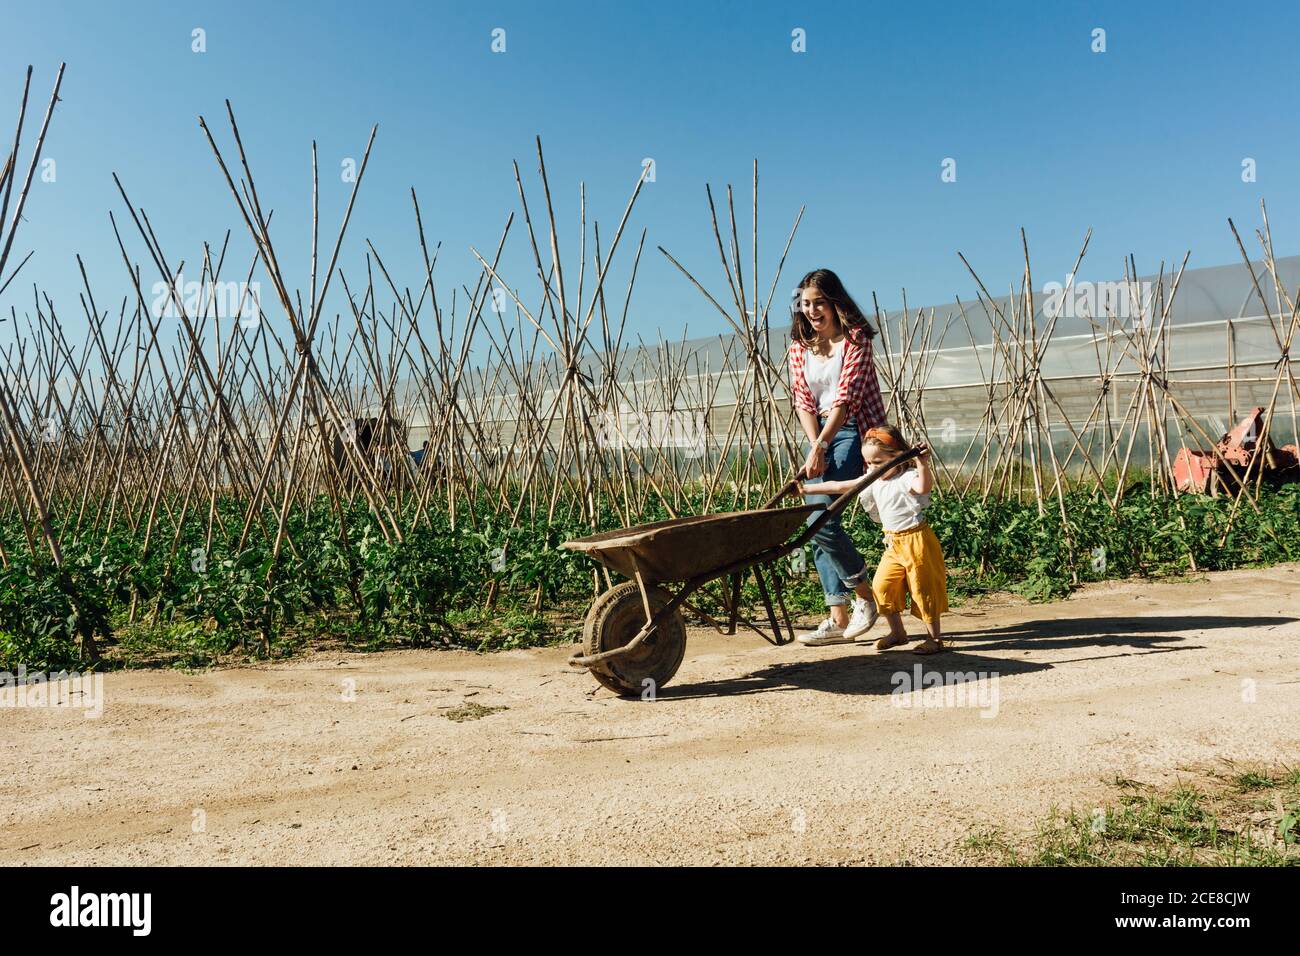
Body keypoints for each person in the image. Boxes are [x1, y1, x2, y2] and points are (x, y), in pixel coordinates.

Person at [787, 268, 887, 646]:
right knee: (814, 515)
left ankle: (865, 597)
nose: (813, 311)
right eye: (807, 304)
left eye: (820, 303)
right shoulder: (800, 347)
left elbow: (846, 400)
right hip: (819, 434)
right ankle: (838, 617)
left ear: (835, 303)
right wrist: (814, 444)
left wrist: (823, 446)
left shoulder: (856, 341)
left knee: (820, 515)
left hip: (852, 430)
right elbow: (802, 400)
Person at [801, 425, 948, 654]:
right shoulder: (874, 478)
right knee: (882, 587)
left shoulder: (907, 477)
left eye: (878, 463)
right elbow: (840, 486)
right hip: (893, 544)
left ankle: (935, 639)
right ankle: (898, 633)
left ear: (897, 457)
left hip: (916, 541)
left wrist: (922, 463)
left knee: (922, 590)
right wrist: (805, 490)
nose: (873, 468)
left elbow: (923, 486)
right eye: (869, 463)